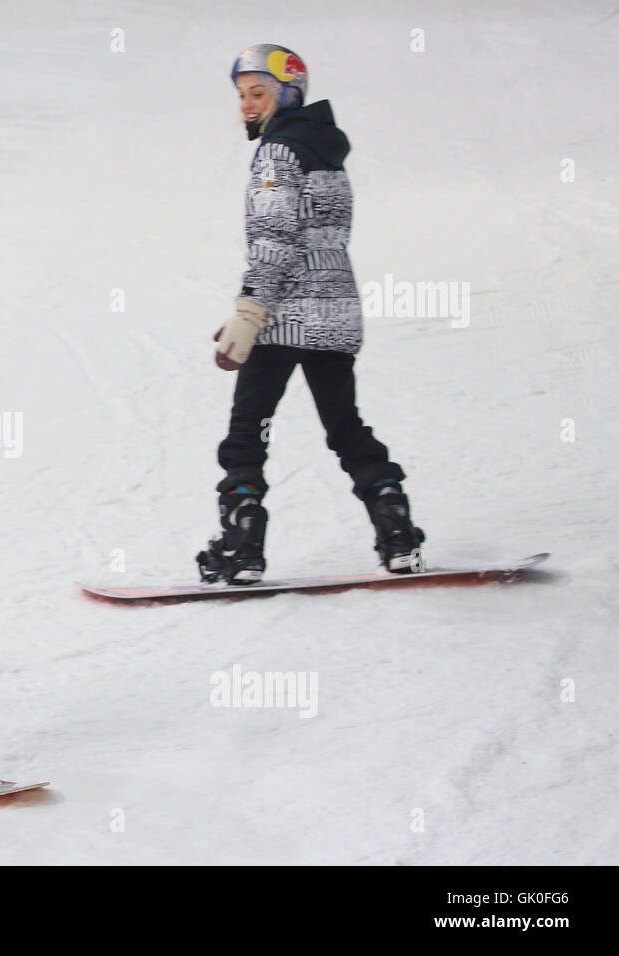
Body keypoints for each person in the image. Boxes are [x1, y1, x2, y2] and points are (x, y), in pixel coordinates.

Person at [198, 44, 424, 585]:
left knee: (247, 433)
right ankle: (395, 529)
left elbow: (274, 239)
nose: (248, 106)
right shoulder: (326, 150)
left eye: (259, 94)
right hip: (335, 317)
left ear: (286, 94)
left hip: (280, 319)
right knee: (346, 429)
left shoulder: (277, 155)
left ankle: (243, 545)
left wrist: (250, 314)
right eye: (243, 96)